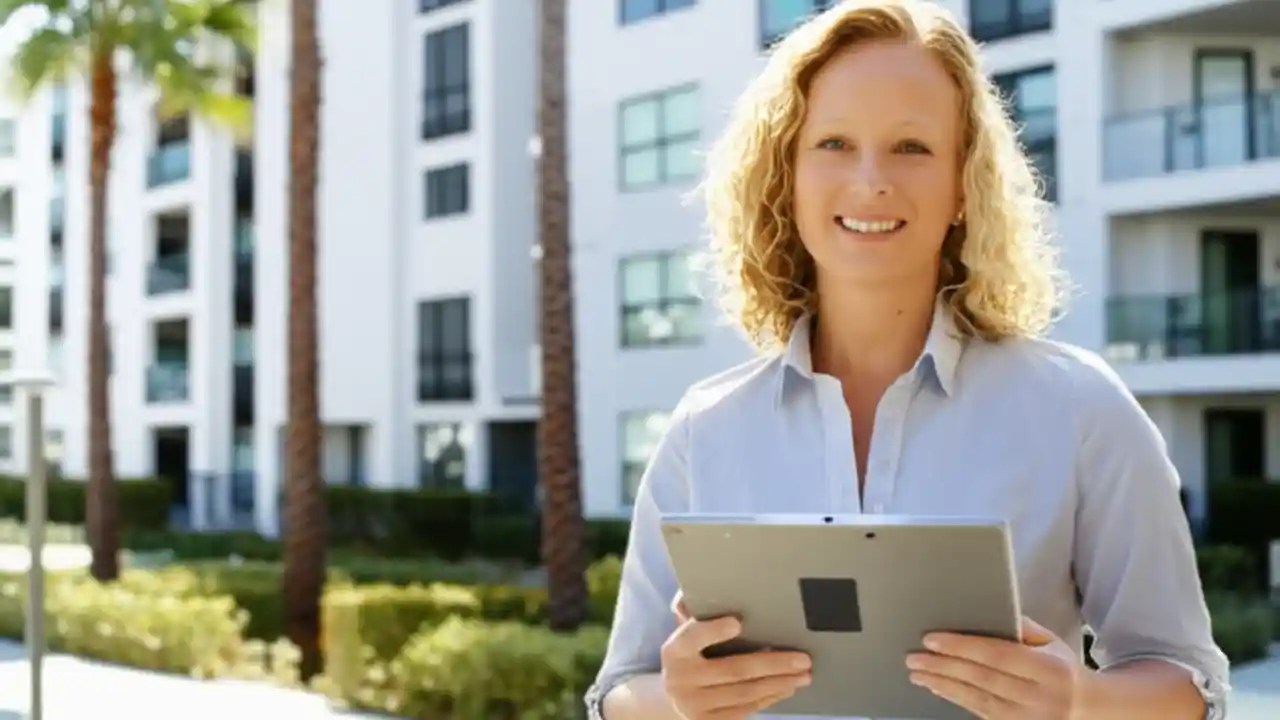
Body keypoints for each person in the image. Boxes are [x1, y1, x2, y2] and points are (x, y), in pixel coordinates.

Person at [584, 1, 1230, 719]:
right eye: (832, 143)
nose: (872, 180)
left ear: (964, 184)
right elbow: (618, 692)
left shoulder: (1080, 410)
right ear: (786, 177)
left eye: (912, 147)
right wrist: (674, 702)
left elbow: (1189, 685)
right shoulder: (704, 430)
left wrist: (1080, 700)